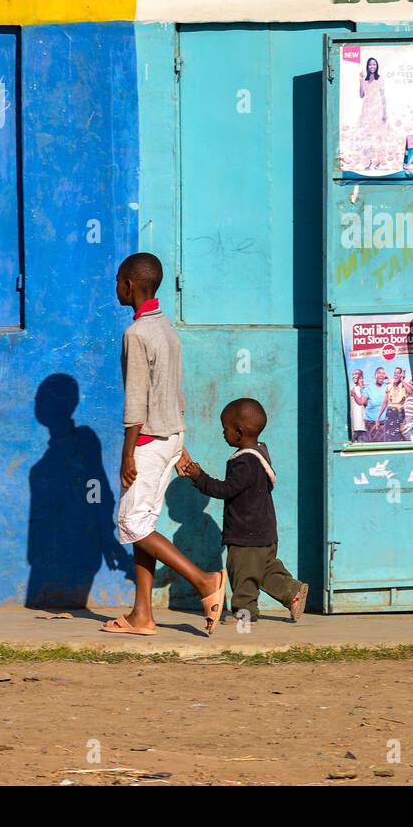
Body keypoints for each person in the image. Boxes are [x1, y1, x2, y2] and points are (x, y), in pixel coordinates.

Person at [104, 252, 227, 636]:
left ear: (130, 285)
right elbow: (172, 391)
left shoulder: (137, 333)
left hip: (148, 440)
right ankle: (142, 615)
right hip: (169, 435)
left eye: (119, 280)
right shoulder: (166, 329)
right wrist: (179, 441)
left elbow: (136, 398)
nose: (116, 287)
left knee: (129, 522)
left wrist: (128, 452)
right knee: (143, 523)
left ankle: (206, 582)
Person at [181, 398, 308, 624]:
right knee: (264, 569)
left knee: (243, 575)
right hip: (264, 531)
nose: (223, 433)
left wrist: (199, 477)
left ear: (238, 432)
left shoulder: (245, 462)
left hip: (247, 534)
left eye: (225, 429)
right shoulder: (259, 455)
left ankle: (244, 615)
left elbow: (226, 489)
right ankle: (293, 592)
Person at [361, 367, 389, 441]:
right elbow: (362, 402)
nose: (381, 375)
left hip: (385, 421)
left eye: (383, 373)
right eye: (379, 373)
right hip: (371, 421)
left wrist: (388, 377)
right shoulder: (368, 388)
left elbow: (394, 383)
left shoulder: (388, 386)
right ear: (375, 375)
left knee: (383, 442)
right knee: (376, 443)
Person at [385, 366, 410, 440]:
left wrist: (402, 380)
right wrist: (379, 417)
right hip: (390, 413)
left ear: (401, 375)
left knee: (400, 434)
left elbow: (410, 391)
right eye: (394, 373)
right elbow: (384, 402)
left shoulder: (404, 385)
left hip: (399, 412)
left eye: (398, 373)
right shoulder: (390, 385)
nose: (395, 374)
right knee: (389, 435)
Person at [348, 369, 368, 439]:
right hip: (354, 427)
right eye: (353, 374)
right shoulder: (352, 389)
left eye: (356, 374)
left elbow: (366, 403)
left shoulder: (365, 388)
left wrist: (361, 386)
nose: (353, 376)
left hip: (363, 428)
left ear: (361, 377)